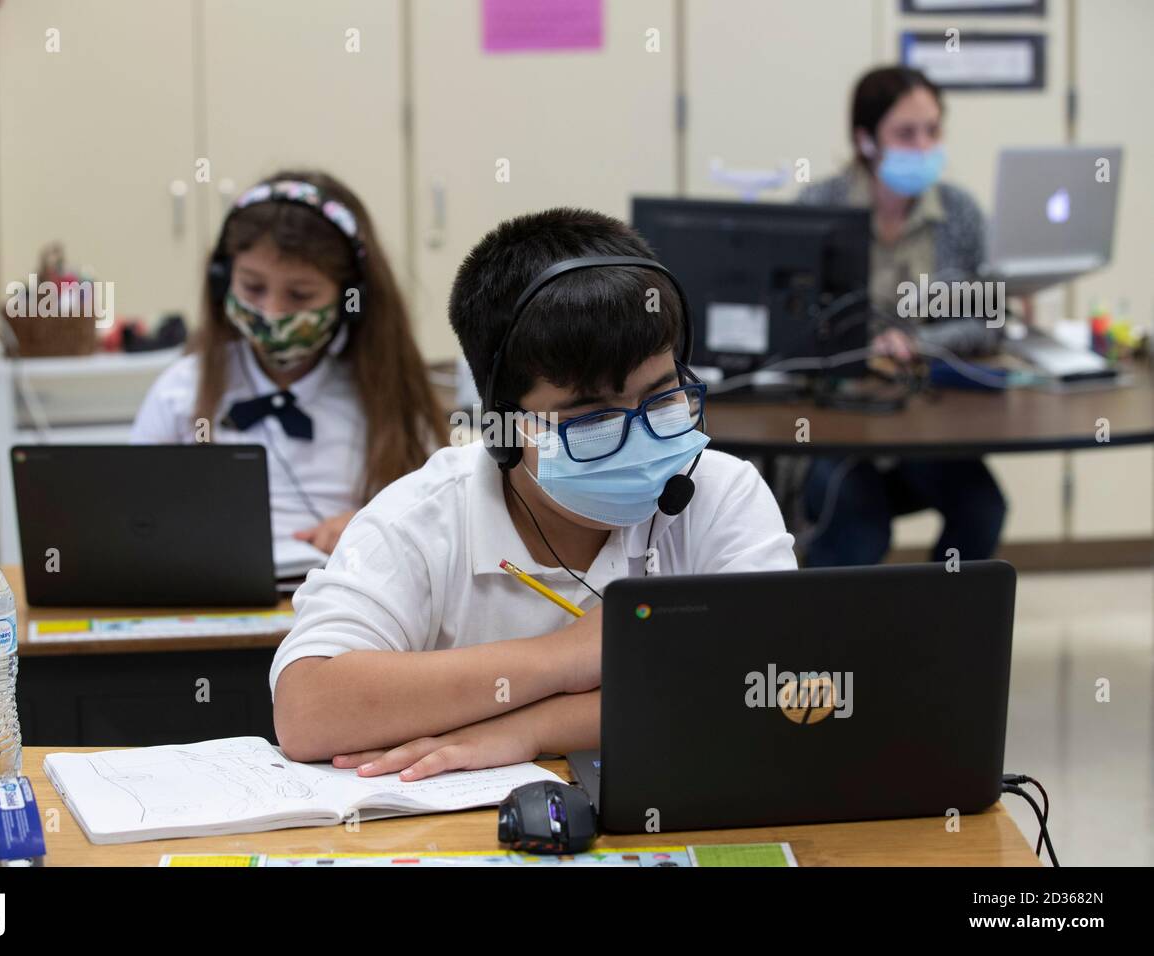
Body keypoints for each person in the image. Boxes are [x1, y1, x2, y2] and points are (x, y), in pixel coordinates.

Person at [270, 208, 797, 779]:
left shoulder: (718, 492)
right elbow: (307, 710)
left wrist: (528, 730)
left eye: (662, 397)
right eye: (591, 415)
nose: (641, 434)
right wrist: (568, 656)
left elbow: (767, 688)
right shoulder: (423, 519)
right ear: (502, 426)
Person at [131, 170, 448, 554]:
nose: (272, 312)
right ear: (222, 280)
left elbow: (440, 523)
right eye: (252, 287)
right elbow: (136, 520)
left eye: (299, 295)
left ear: (352, 299)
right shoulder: (180, 391)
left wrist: (375, 526)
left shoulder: (386, 399)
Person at [796, 66, 1007, 567]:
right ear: (866, 140)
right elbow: (795, 321)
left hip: (926, 423)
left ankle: (944, 632)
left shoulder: (959, 212)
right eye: (906, 133)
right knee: (860, 527)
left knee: (983, 509)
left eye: (933, 130)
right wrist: (864, 345)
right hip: (841, 424)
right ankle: (834, 643)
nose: (924, 144)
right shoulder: (819, 206)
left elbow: (990, 316)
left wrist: (919, 343)